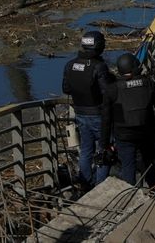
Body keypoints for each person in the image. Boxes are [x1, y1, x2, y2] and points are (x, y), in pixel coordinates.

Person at [100, 52, 155, 186]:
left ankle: (131, 192)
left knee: (128, 166)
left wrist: (105, 144)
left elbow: (106, 118)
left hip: (123, 134)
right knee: (148, 162)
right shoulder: (148, 83)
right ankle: (154, 187)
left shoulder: (112, 89)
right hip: (146, 131)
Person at [61, 29, 113, 189]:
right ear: (99, 47)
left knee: (86, 150)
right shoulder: (99, 66)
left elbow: (66, 89)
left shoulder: (70, 64)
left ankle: (85, 183)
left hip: (80, 113)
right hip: (98, 114)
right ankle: (100, 186)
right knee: (104, 150)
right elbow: (107, 93)